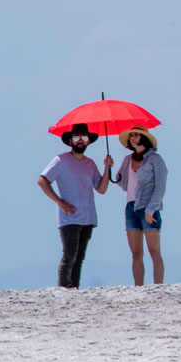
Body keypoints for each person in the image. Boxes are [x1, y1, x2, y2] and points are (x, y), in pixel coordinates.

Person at [37, 123, 112, 288]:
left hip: (88, 216)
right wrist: (59, 202)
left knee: (79, 257)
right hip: (69, 216)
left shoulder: (90, 163)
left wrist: (107, 168)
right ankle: (63, 287)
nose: (80, 141)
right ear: (70, 140)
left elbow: (101, 188)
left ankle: (74, 287)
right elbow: (42, 181)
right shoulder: (60, 160)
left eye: (84, 138)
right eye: (77, 137)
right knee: (69, 254)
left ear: (88, 142)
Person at [117, 127, 167, 285]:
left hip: (148, 207)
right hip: (131, 207)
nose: (133, 138)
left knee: (154, 251)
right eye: (131, 135)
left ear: (144, 138)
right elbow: (123, 183)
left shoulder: (155, 159)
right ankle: (138, 287)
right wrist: (109, 167)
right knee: (136, 253)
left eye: (136, 135)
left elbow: (160, 187)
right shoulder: (127, 159)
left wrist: (151, 209)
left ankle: (158, 286)